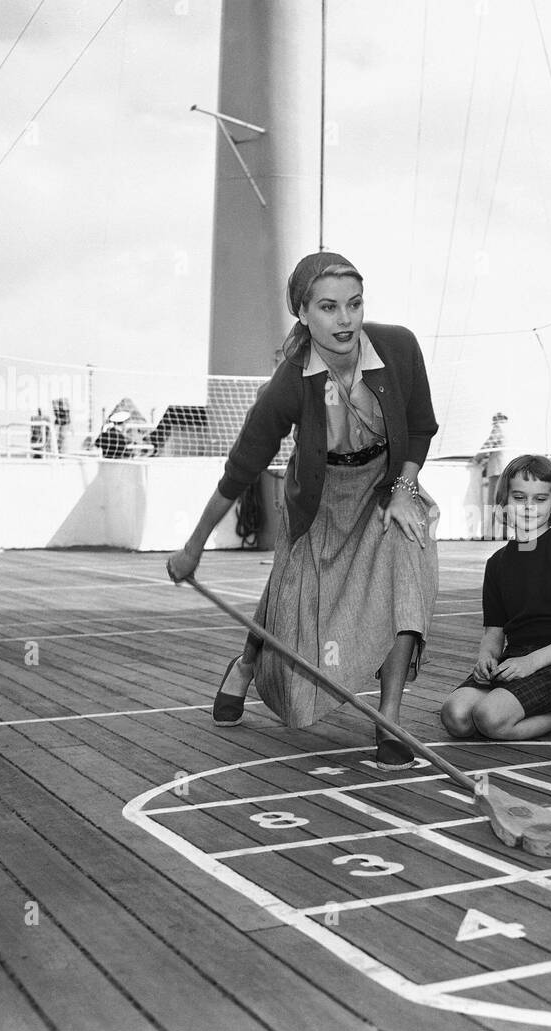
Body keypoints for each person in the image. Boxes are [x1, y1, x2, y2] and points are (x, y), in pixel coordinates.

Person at [167, 251, 440, 770]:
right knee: (290, 586)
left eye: (354, 305)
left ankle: (390, 720)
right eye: (329, 307)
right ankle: (247, 664)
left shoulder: (400, 347)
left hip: (387, 485)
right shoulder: (289, 384)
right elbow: (241, 470)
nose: (346, 320)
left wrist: (405, 488)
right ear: (303, 313)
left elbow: (421, 426)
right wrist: (193, 546)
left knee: (407, 566)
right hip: (321, 493)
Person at [440, 454, 551, 741]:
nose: (528, 508)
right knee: (456, 717)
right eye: (519, 498)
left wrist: (533, 662)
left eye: (540, 499)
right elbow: (493, 631)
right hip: (514, 659)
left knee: (490, 719)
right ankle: (509, 701)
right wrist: (486, 658)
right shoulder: (497, 562)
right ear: (503, 502)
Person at [472, 411, 510, 540]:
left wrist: (477, 458)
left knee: (493, 502)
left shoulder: (498, 428)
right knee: (505, 501)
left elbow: (489, 444)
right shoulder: (511, 430)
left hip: (497, 470)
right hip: (508, 469)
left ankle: (491, 533)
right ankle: (505, 533)